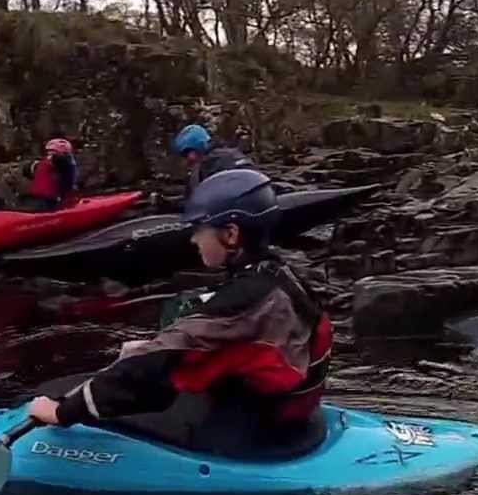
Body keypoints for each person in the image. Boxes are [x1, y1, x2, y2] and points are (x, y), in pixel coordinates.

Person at [26, 168, 334, 457]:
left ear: (230, 234)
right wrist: (148, 348)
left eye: (200, 229)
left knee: (56, 391)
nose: (193, 240)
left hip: (254, 433)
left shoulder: (242, 300)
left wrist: (62, 412)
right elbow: (227, 341)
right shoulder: (278, 274)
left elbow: (151, 371)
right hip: (292, 417)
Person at [172, 124, 254, 195]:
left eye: (190, 151)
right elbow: (192, 201)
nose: (189, 157)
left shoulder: (217, 161)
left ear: (201, 145)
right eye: (185, 155)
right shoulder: (231, 155)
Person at [21, 138, 79, 211]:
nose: (49, 155)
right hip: (40, 200)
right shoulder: (43, 163)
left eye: (52, 152)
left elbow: (66, 167)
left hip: (45, 200)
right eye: (49, 152)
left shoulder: (64, 162)